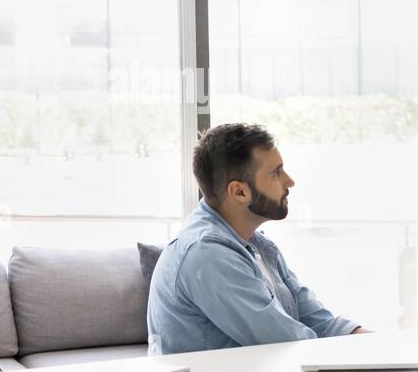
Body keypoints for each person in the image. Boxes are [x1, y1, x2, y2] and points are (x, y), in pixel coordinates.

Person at [148, 123, 366, 355]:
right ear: (239, 192)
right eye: (276, 173)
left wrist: (380, 345)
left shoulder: (256, 243)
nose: (290, 181)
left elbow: (318, 322)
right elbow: (288, 345)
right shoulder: (207, 254)